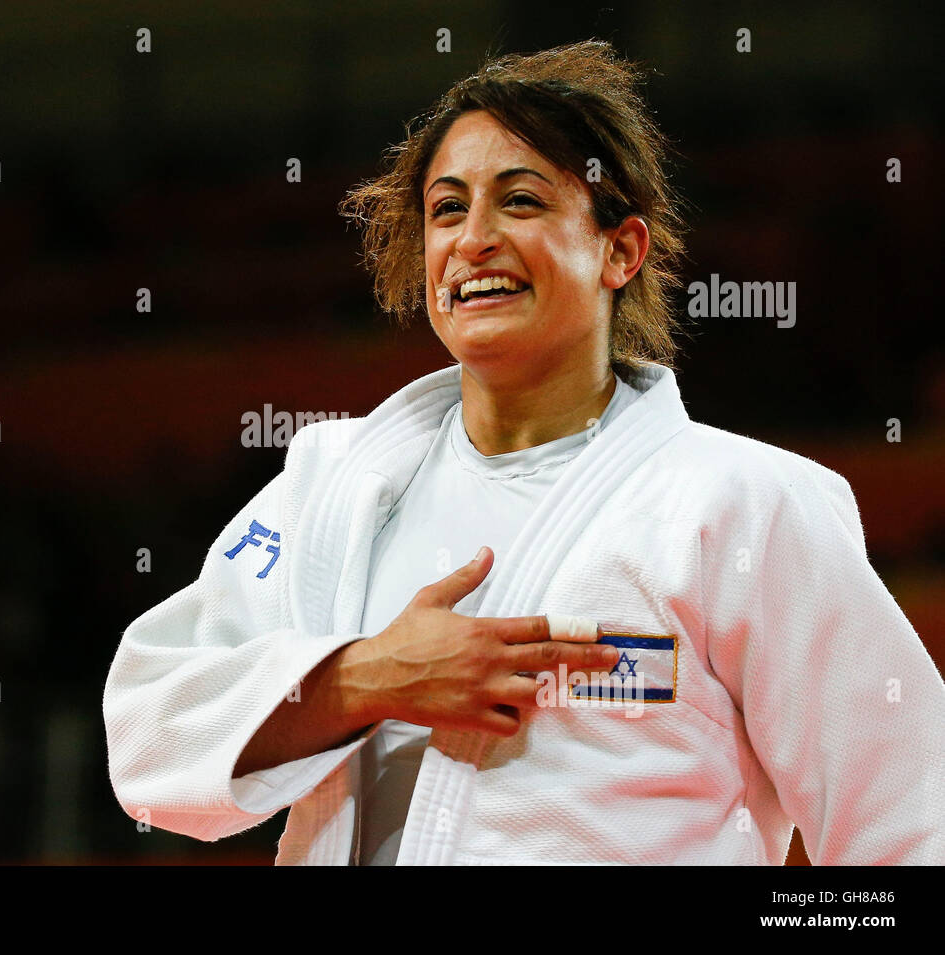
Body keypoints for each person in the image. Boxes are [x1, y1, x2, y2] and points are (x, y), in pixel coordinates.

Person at [102, 40, 945, 864]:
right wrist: (367, 677)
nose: (472, 239)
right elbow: (148, 738)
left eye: (521, 201)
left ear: (621, 250)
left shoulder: (745, 504)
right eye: (445, 208)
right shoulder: (333, 486)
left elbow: (912, 822)